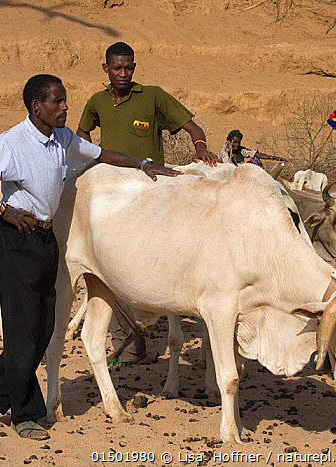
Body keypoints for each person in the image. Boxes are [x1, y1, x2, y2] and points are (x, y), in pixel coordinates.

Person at [0, 74, 180, 440]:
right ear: (36, 107)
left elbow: (102, 154)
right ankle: (25, 416)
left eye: (65, 100)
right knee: (24, 332)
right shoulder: (12, 143)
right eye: (57, 102)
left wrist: (142, 165)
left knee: (43, 330)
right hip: (13, 239)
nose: (65, 107)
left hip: (44, 237)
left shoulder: (62, 138)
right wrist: (1, 208)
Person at [76, 41, 218, 366]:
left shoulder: (153, 96)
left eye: (128, 68)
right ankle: (131, 338)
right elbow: (81, 133)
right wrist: (87, 160)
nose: (123, 74)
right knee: (107, 265)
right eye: (117, 68)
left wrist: (200, 148)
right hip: (111, 196)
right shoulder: (96, 101)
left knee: (152, 262)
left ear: (134, 68)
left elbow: (192, 127)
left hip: (150, 192)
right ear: (106, 69)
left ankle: (144, 329)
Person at [218, 129, 286, 166]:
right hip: (226, 174)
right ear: (229, 141)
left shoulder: (240, 150)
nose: (237, 144)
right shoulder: (224, 150)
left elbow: (255, 154)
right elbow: (228, 165)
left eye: (239, 142)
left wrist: (274, 158)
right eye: (235, 142)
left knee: (256, 160)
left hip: (238, 172)